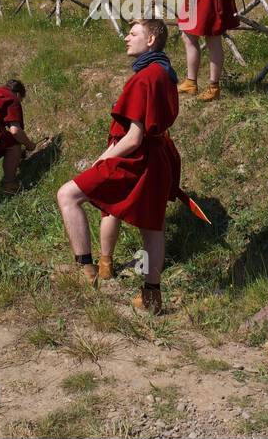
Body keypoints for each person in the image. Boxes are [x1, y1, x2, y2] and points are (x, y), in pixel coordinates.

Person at [54, 18, 181, 314]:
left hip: (136, 159)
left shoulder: (145, 78)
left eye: (133, 33)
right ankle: (151, 297)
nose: (126, 37)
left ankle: (86, 271)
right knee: (153, 228)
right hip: (159, 157)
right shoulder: (165, 73)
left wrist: (104, 158)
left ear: (150, 40)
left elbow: (134, 138)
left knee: (67, 195)